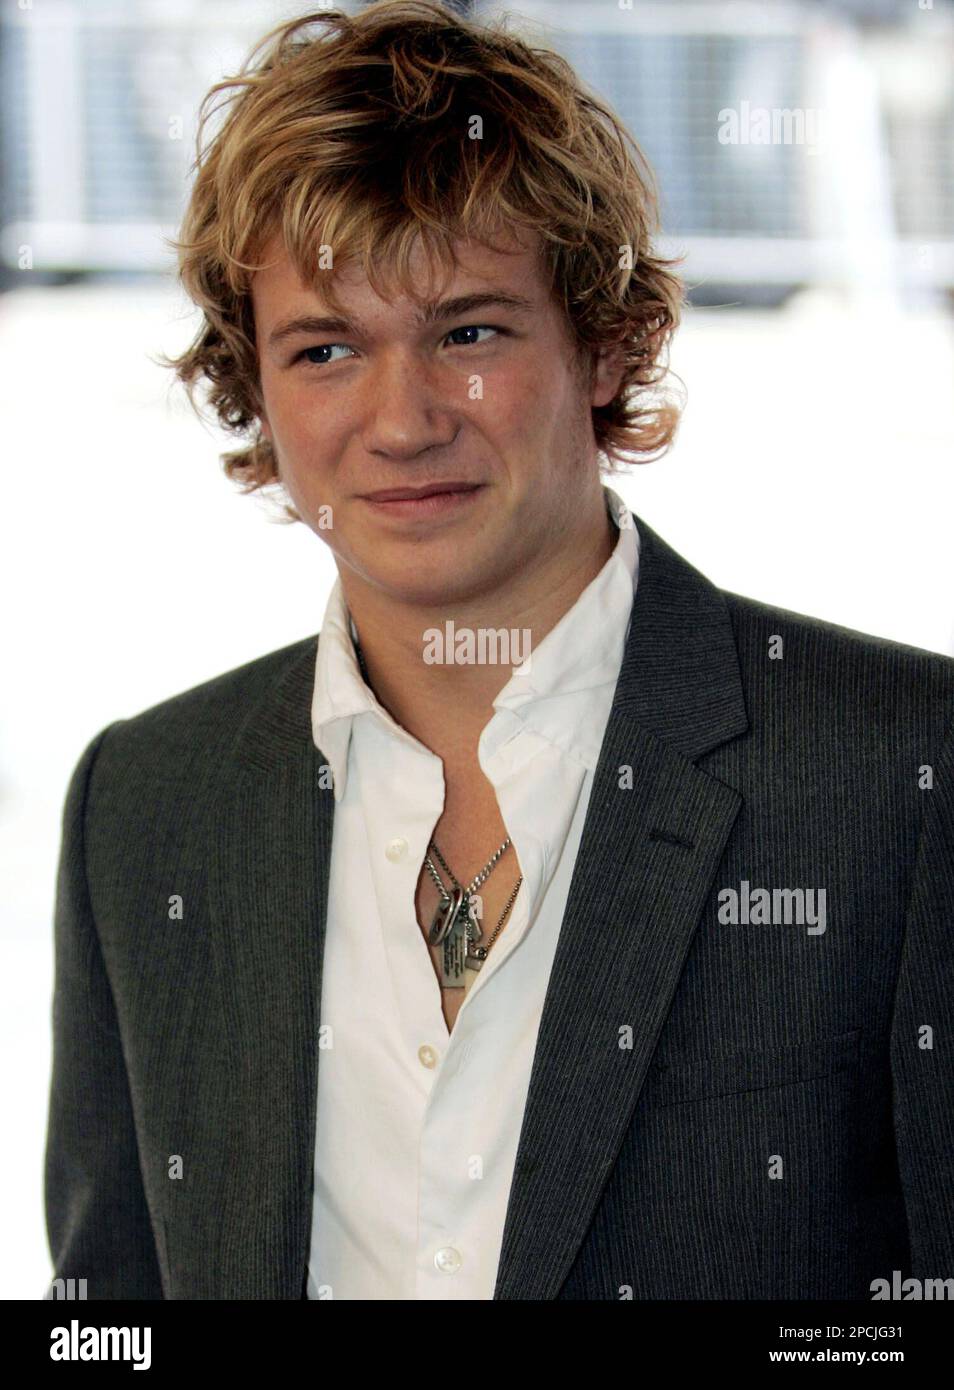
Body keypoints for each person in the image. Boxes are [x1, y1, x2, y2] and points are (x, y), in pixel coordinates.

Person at [45, 0, 953, 1302]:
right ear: (255, 386)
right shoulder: (145, 804)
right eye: (325, 347)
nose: (399, 419)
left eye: (468, 332)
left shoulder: (897, 774)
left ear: (605, 342)